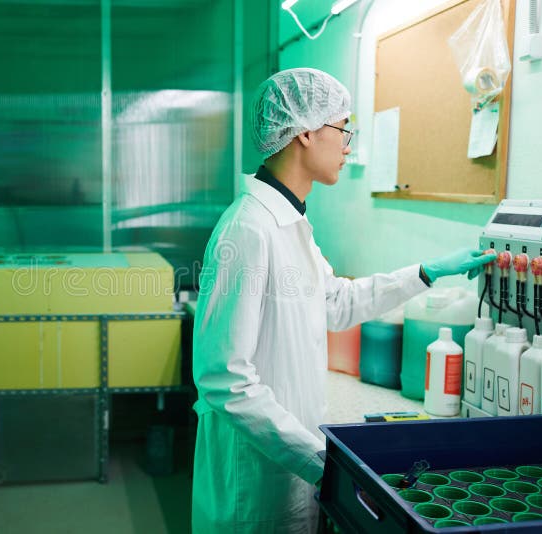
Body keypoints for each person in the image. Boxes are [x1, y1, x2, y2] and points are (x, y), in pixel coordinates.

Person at [190, 68, 495, 533]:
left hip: (289, 462)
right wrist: (321, 460)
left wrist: (424, 272)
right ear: (306, 133)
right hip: (253, 481)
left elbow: (336, 303)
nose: (349, 144)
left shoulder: (290, 221)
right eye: (342, 128)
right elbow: (223, 377)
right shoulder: (250, 229)